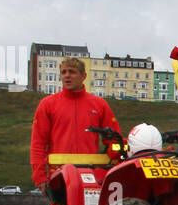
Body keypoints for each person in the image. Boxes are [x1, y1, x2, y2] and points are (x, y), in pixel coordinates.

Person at [29, 57, 121, 191]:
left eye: (72, 72)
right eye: (63, 72)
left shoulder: (100, 105)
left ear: (83, 76)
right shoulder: (47, 104)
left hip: (91, 174)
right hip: (59, 175)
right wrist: (40, 176)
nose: (67, 76)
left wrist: (115, 165)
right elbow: (38, 144)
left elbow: (115, 140)